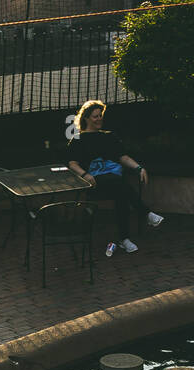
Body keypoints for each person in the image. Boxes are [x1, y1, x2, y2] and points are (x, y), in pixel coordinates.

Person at [66, 99, 163, 257]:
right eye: (95, 116)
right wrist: (85, 174)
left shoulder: (109, 136)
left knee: (121, 192)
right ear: (86, 118)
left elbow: (122, 157)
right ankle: (144, 215)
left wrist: (139, 168)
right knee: (120, 186)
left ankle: (125, 239)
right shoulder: (78, 139)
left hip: (114, 182)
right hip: (93, 183)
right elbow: (72, 163)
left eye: (100, 115)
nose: (99, 119)